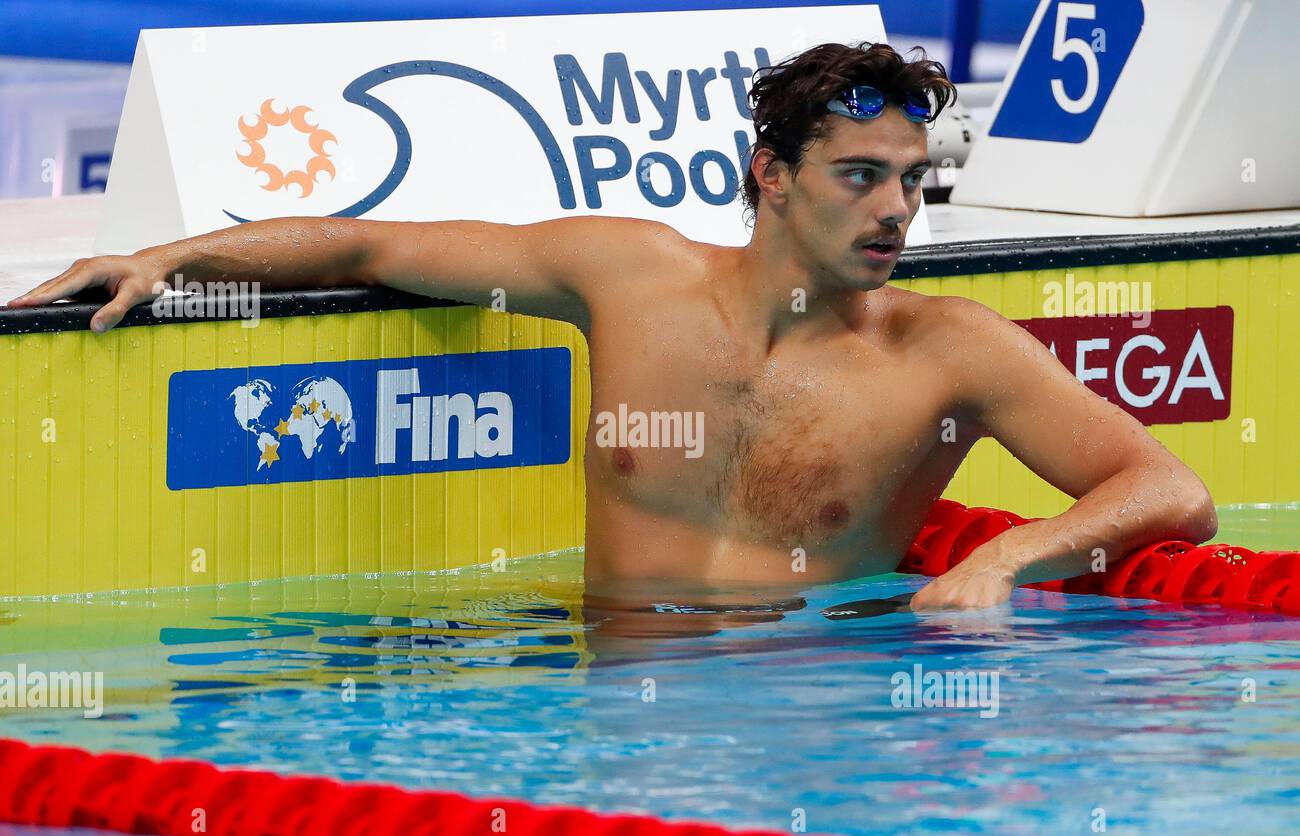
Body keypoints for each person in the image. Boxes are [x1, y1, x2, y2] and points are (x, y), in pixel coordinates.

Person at [7, 42, 1216, 610]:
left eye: (910, 178)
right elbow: (373, 244)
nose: (895, 206)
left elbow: (1166, 487)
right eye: (860, 175)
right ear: (772, 176)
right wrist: (172, 254)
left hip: (827, 726)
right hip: (600, 719)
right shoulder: (626, 274)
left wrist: (1003, 558)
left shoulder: (946, 350)